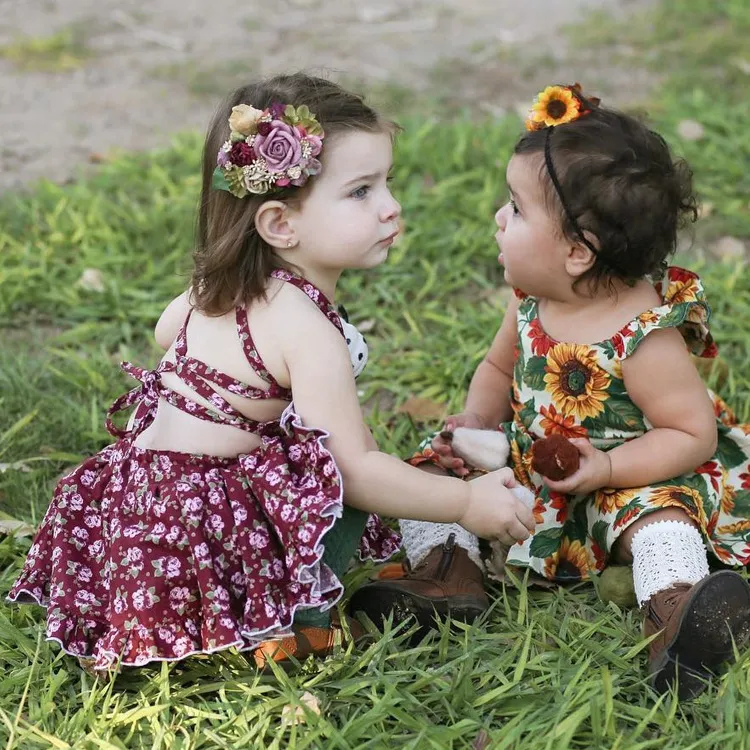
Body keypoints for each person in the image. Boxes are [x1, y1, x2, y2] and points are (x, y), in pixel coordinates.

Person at [7, 73, 536, 673]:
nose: (392, 207)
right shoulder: (308, 330)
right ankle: (294, 626)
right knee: (340, 471)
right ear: (281, 225)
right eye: (361, 192)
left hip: (140, 504)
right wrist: (465, 503)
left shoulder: (217, 282)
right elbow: (354, 471)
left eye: (386, 183)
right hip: (198, 531)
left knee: (304, 451)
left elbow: (164, 333)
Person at [351, 83, 750, 701]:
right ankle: (447, 574)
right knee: (431, 471)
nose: (497, 218)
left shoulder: (642, 337)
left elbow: (690, 434)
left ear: (575, 252)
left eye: (515, 208)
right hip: (531, 466)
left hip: (633, 472)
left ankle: (677, 611)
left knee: (660, 521)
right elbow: (495, 366)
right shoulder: (531, 302)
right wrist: (473, 422)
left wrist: (609, 466)